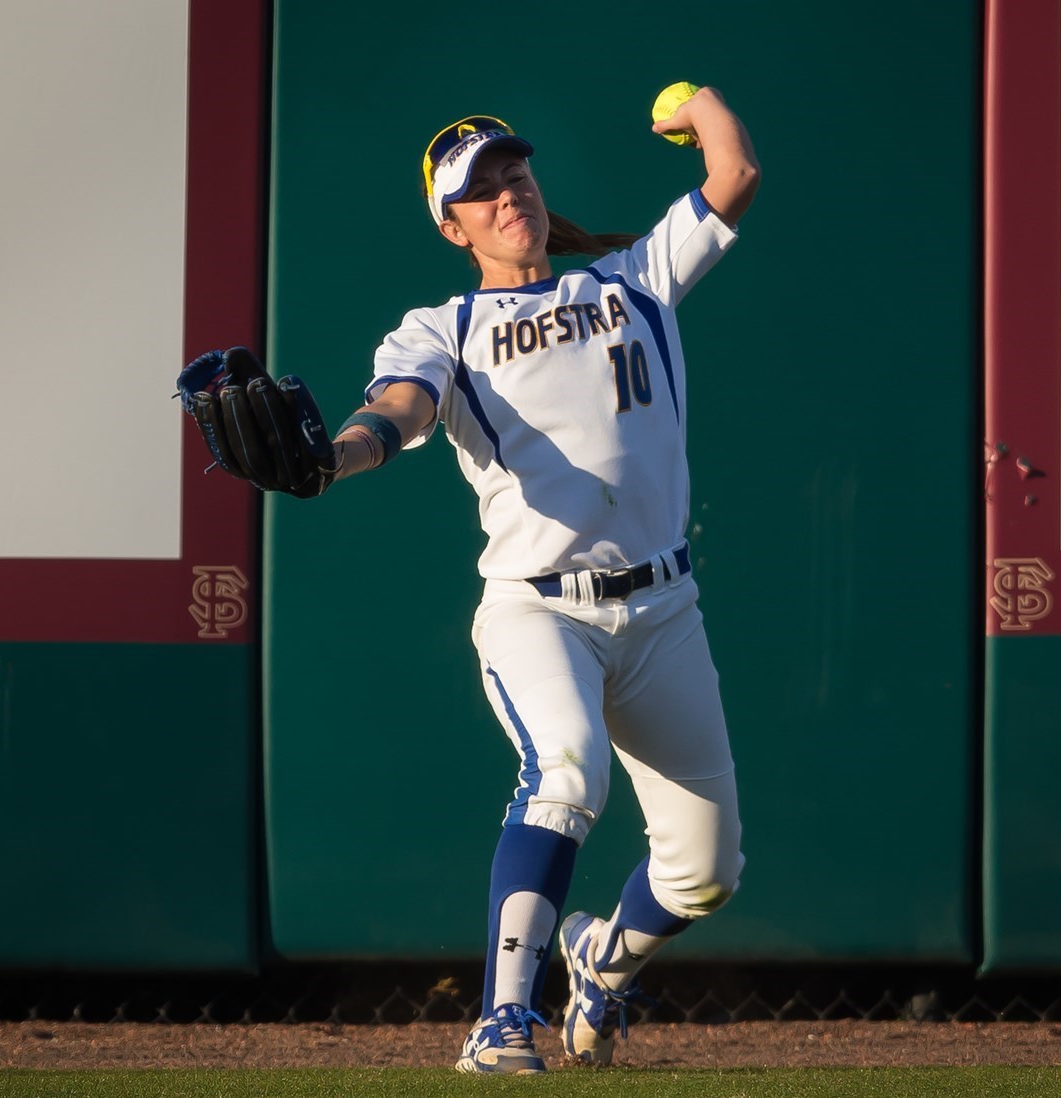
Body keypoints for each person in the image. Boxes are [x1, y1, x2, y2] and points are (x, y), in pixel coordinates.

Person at [264, 90, 755, 1073]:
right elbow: (393, 414)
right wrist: (335, 458)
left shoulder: (634, 282)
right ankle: (499, 1020)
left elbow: (733, 177)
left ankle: (601, 964)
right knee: (567, 770)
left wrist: (698, 104)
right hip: (540, 611)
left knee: (706, 874)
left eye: (512, 174)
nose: (505, 195)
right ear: (452, 227)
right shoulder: (442, 327)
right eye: (478, 193)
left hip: (665, 613)